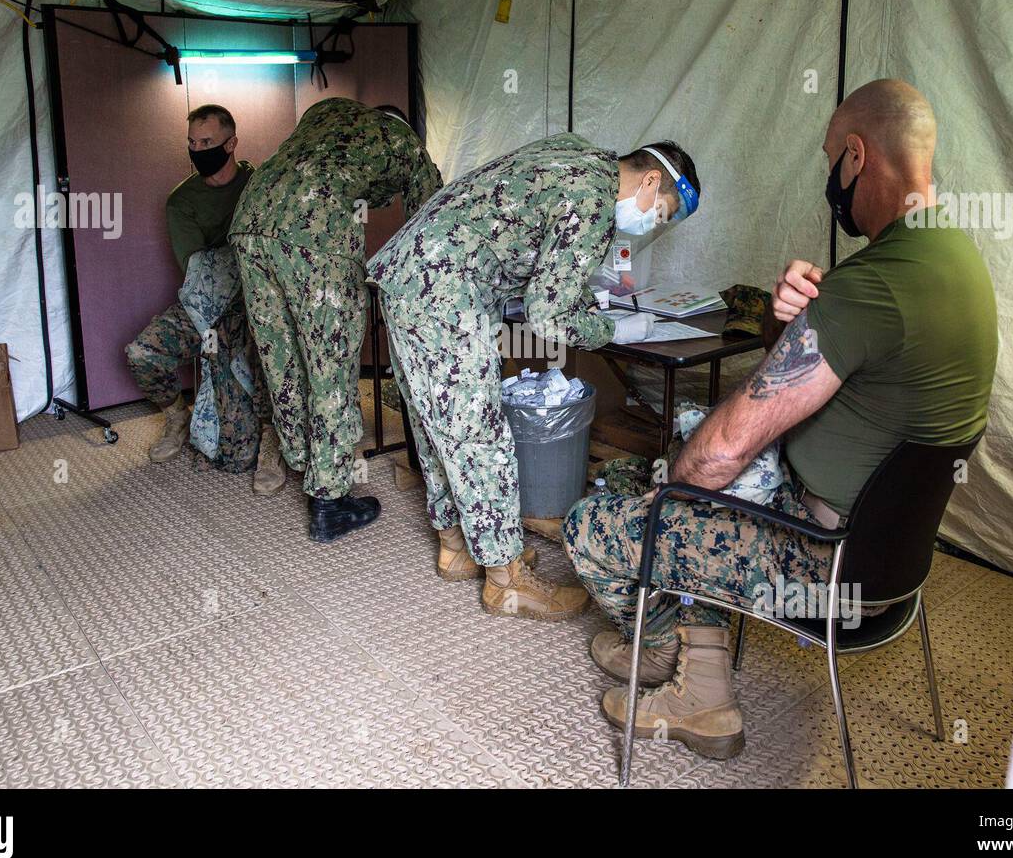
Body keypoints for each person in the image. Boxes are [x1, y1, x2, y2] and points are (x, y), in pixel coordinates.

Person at [563, 79, 998, 761]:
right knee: (680, 441)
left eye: (832, 160)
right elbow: (812, 378)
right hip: (889, 558)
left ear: (856, 156)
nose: (830, 177)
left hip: (822, 562)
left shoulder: (872, 286)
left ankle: (694, 693)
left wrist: (665, 497)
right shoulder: (953, 261)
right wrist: (784, 319)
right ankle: (679, 648)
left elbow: (720, 455)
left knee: (607, 514)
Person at [368, 134, 701, 620]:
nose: (654, 224)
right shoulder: (592, 201)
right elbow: (547, 318)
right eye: (663, 212)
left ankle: (457, 544)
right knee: (478, 431)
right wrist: (611, 329)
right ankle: (506, 581)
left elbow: (543, 271)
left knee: (436, 419)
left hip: (412, 273)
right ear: (651, 180)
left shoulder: (580, 156)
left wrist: (582, 308)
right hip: (443, 288)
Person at [229, 98, 442, 542]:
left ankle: (304, 460)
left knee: (280, 357)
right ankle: (330, 500)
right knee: (330, 367)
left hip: (249, 223)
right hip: (316, 235)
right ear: (400, 124)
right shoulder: (406, 143)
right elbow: (430, 220)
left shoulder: (324, 112)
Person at [125, 104, 286, 494]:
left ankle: (272, 440)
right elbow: (200, 273)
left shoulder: (261, 183)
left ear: (232, 143)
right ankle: (177, 416)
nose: (198, 150)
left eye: (208, 142)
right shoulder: (182, 201)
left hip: (258, 302)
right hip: (206, 306)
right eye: (192, 143)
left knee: (269, 359)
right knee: (142, 353)